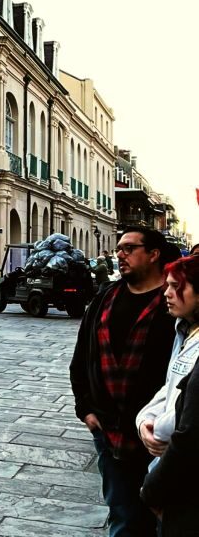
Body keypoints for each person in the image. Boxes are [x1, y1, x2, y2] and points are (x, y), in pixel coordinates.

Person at [69, 226, 179, 536]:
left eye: (129, 248)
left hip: (158, 436)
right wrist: (86, 410)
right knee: (122, 516)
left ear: (153, 254)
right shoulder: (106, 297)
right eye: (119, 248)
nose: (120, 254)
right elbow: (81, 357)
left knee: (163, 518)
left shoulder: (173, 304)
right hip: (108, 429)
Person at [137, 255, 199, 468]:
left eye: (176, 286)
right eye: (167, 285)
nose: (167, 293)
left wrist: (158, 430)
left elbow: (188, 406)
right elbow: (170, 387)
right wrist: (144, 420)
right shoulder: (184, 329)